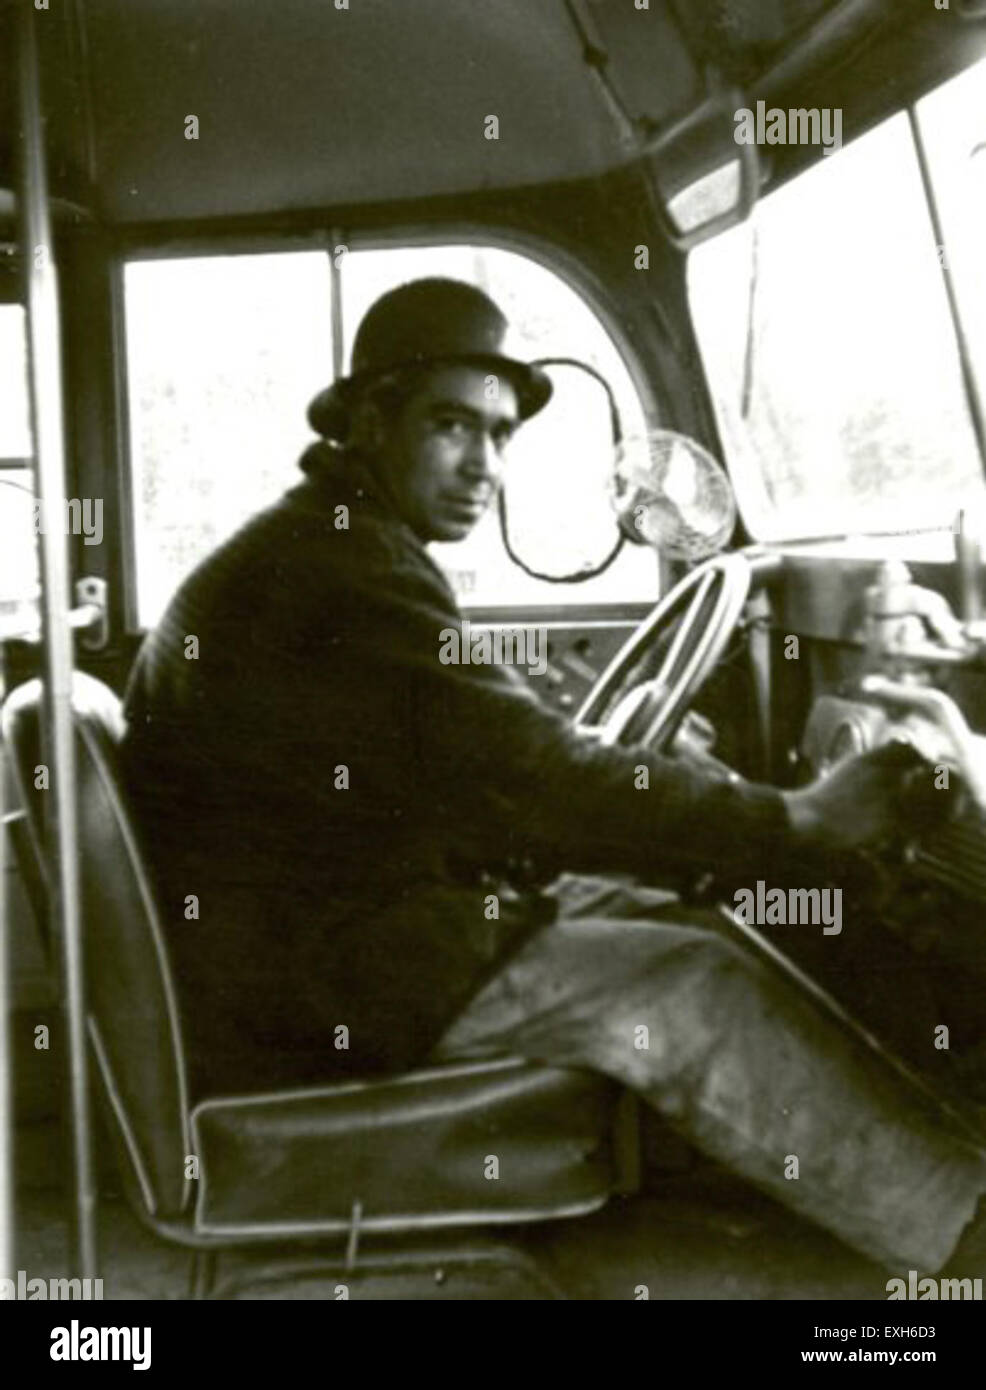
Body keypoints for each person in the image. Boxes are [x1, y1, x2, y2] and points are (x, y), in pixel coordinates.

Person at [121, 277, 986, 1279]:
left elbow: (483, 762)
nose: (482, 464)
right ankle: (957, 1240)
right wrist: (793, 815)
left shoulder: (335, 542)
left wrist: (652, 792)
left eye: (498, 435)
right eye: (450, 426)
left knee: (684, 912)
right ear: (368, 421)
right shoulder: (341, 571)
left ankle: (909, 1158)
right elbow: (534, 780)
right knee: (689, 981)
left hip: (327, 927)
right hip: (324, 978)